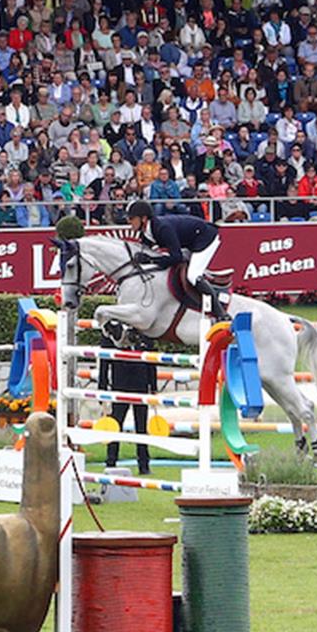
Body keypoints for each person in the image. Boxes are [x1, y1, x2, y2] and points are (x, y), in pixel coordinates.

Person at [125, 197, 225, 319]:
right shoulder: (146, 233)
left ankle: (220, 313)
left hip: (205, 237)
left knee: (193, 276)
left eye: (131, 218)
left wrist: (151, 260)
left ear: (144, 218)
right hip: (190, 241)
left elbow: (176, 257)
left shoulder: (162, 228)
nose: (129, 222)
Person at [98, 327, 155, 477]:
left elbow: (151, 359)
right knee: (115, 425)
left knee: (141, 427)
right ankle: (111, 462)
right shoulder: (111, 331)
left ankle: (144, 464)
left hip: (141, 385)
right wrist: (102, 387)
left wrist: (153, 386)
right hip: (119, 386)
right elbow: (104, 361)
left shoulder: (144, 330)